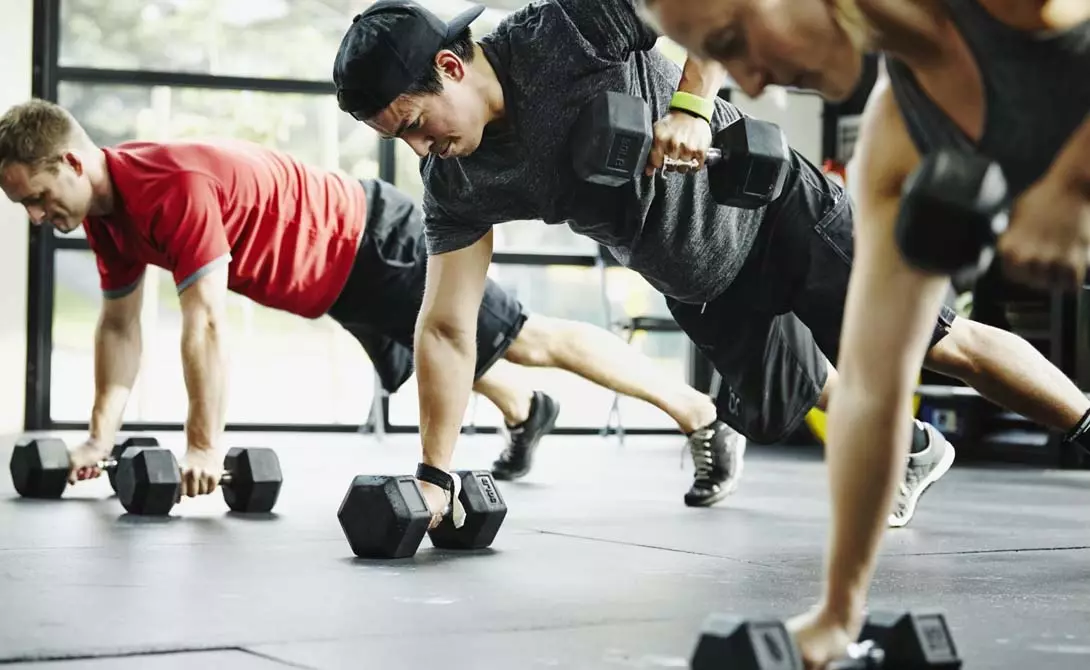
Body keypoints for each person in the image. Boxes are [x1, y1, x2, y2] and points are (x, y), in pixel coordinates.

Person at [331, 0, 1090, 539]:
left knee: (930, 342)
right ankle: (916, 448)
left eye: (416, 125)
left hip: (778, 216)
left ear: (450, 65)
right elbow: (445, 327)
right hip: (702, 282)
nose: (422, 149)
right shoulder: (458, 183)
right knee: (782, 404)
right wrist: (435, 470)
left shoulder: (565, 27)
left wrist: (694, 104)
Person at [634, 0, 1090, 666]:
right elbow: (874, 387)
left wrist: (1073, 184)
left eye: (733, 40)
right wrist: (838, 615)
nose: (752, 85)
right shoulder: (900, 135)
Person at [0, 98, 736, 503]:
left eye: (36, 199)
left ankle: (700, 415)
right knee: (451, 358)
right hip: (336, 279)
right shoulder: (105, 217)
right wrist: (99, 437)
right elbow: (119, 325)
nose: (38, 219)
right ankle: (524, 409)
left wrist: (202, 445)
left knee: (523, 337)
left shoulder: (169, 187)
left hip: (370, 241)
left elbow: (207, 323)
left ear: (68, 161)